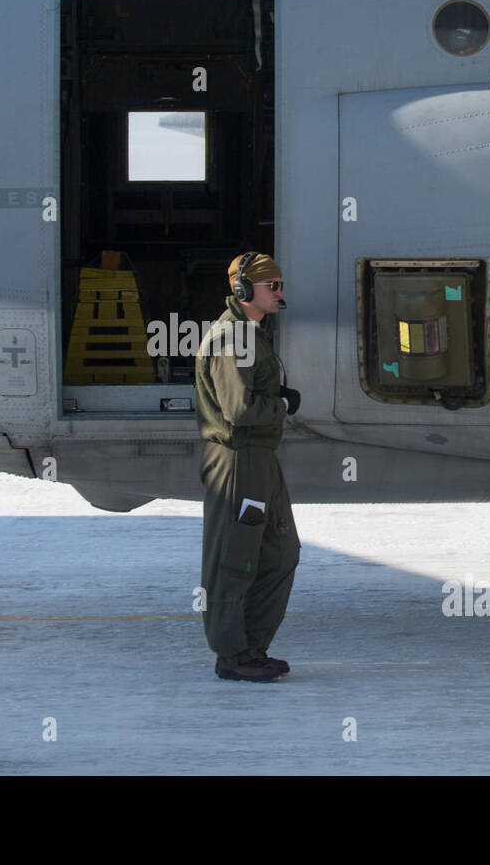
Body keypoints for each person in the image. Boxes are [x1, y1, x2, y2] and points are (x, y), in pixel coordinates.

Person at [194, 251, 302, 682]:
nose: (279, 292)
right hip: (238, 460)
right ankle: (231, 653)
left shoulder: (252, 335)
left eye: (280, 284)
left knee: (281, 552)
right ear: (243, 291)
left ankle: (251, 645)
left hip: (261, 459)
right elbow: (238, 410)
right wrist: (280, 404)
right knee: (234, 559)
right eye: (270, 285)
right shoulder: (232, 339)